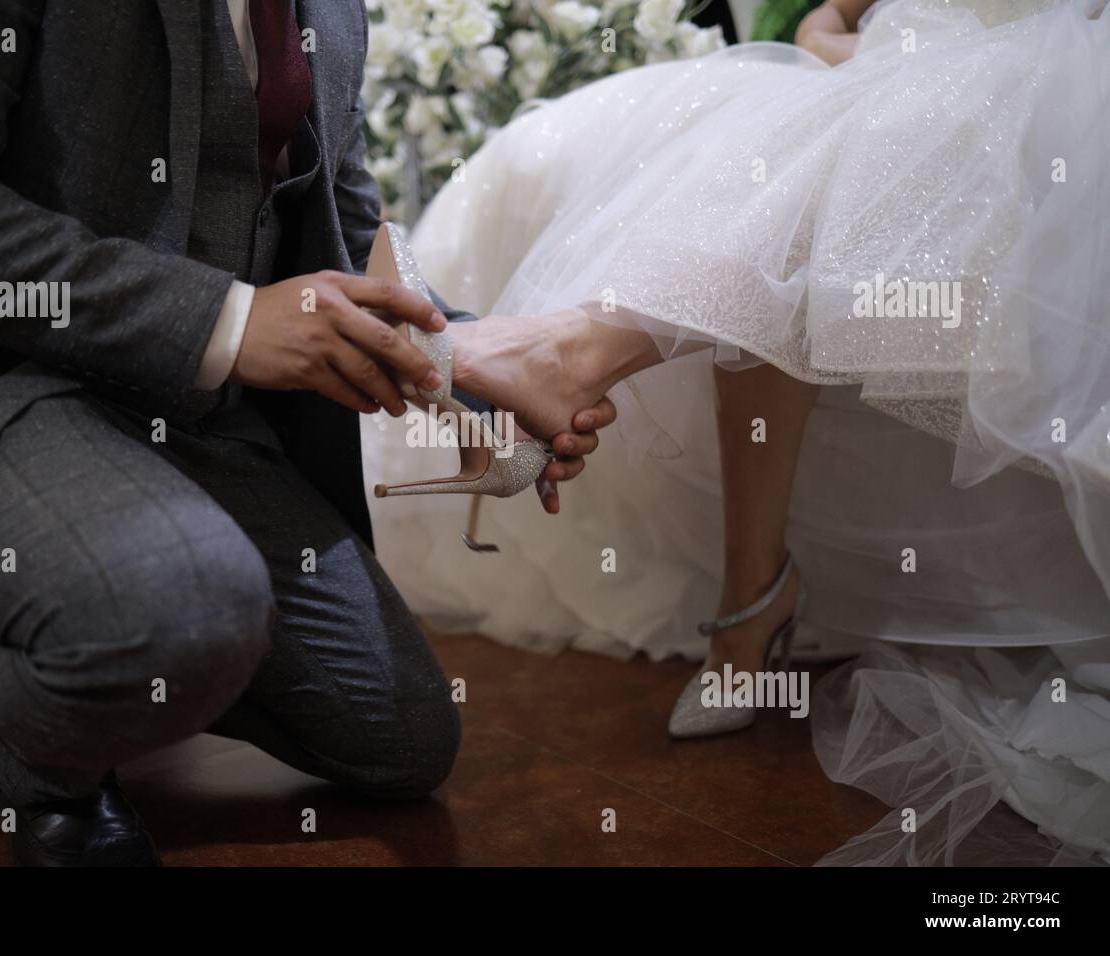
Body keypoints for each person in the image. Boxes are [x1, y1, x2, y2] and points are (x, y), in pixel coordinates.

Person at [0, 0, 611, 867]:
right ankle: (58, 758)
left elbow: (341, 226)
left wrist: (469, 363)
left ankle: (139, 626)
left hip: (196, 426)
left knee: (404, 738)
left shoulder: (332, 11)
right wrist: (226, 323)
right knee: (189, 602)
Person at [362, 0, 1110, 859]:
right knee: (818, 138)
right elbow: (823, 18)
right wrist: (884, 48)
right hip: (903, 71)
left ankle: (564, 366)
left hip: (1063, 82)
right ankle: (588, 398)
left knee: (894, 134)